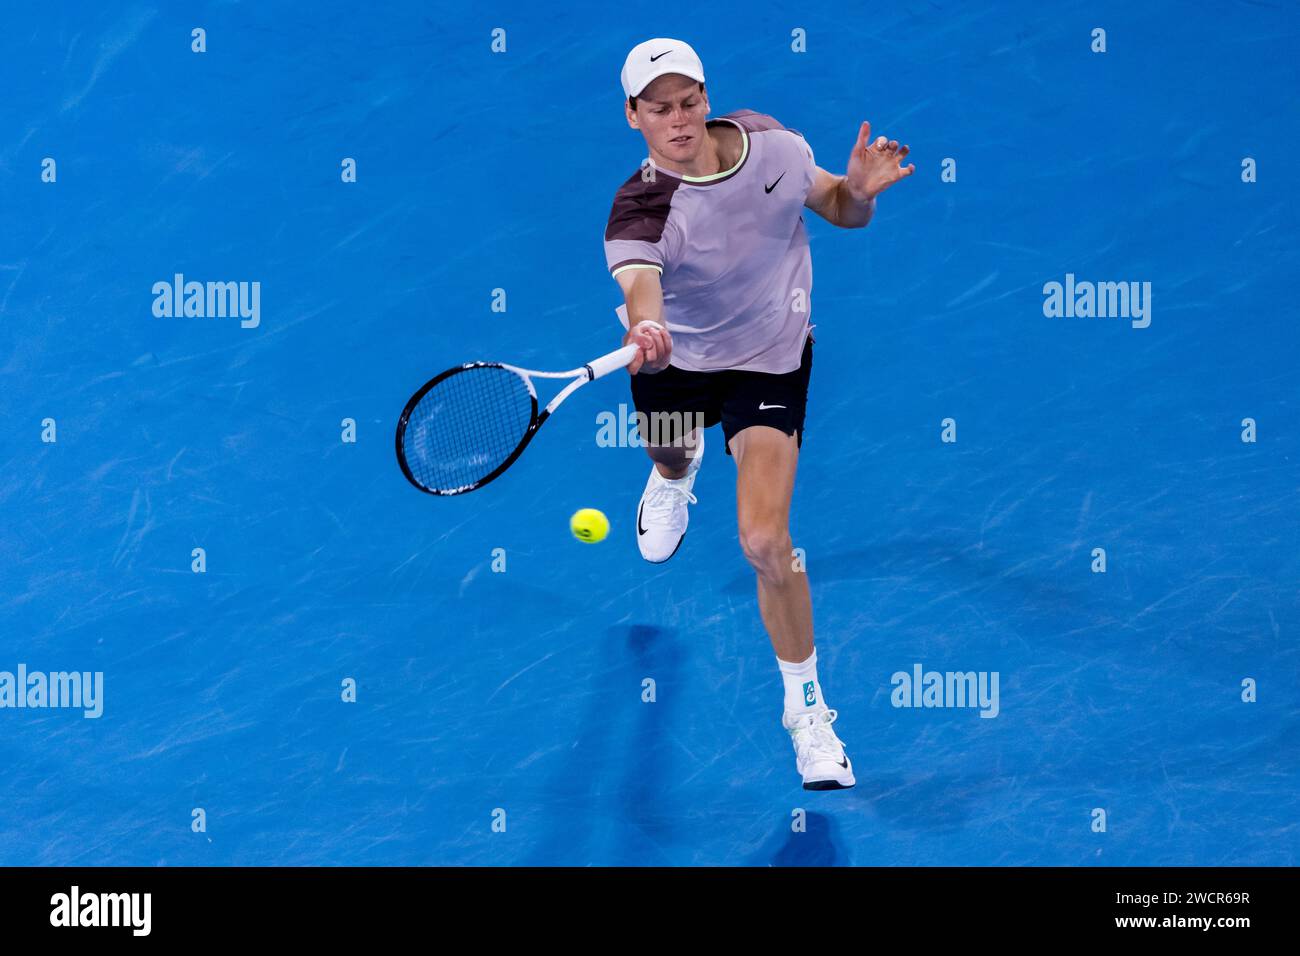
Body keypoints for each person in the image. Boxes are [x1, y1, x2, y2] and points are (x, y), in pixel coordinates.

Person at [603, 38, 913, 790]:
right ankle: (676, 477)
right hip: (675, 360)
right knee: (670, 454)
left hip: (770, 358)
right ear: (633, 117)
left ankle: (807, 715)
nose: (677, 121)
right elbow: (642, 284)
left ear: (705, 99)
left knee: (765, 541)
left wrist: (861, 192)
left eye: (688, 102)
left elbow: (838, 207)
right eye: (659, 109)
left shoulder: (773, 147)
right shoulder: (639, 207)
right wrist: (647, 324)